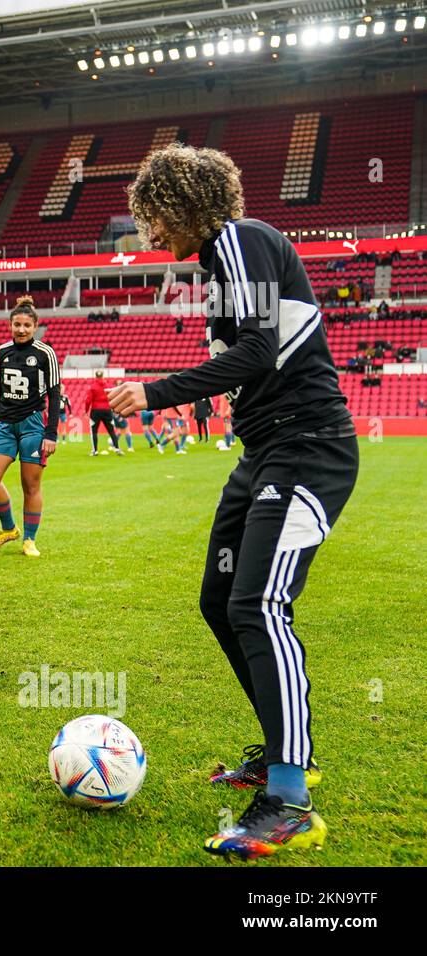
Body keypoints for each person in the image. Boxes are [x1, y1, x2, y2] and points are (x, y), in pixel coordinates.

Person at [113, 143, 357, 861]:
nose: (150, 234)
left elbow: (258, 352)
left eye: (154, 217)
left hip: (307, 446)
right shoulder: (218, 263)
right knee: (221, 600)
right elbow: (248, 358)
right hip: (263, 452)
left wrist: (156, 392)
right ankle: (283, 749)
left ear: (185, 202)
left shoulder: (242, 240)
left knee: (260, 606)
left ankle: (289, 797)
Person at [0, 296, 60, 557]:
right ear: (10, 325)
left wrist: (51, 434)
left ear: (35, 326)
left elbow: (55, 395)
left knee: (30, 486)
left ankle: (30, 539)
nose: (21, 330)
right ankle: (8, 529)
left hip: (33, 425)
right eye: (17, 325)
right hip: (5, 425)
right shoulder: (2, 352)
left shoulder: (45, 354)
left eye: (26, 325)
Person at [84, 370, 123, 455]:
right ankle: (117, 448)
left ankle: (95, 451)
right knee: (111, 431)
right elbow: (113, 398)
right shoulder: (108, 386)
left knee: (94, 431)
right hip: (107, 410)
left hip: (95, 411)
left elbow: (88, 400)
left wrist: (86, 411)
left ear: (96, 376)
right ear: (103, 376)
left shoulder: (92, 387)